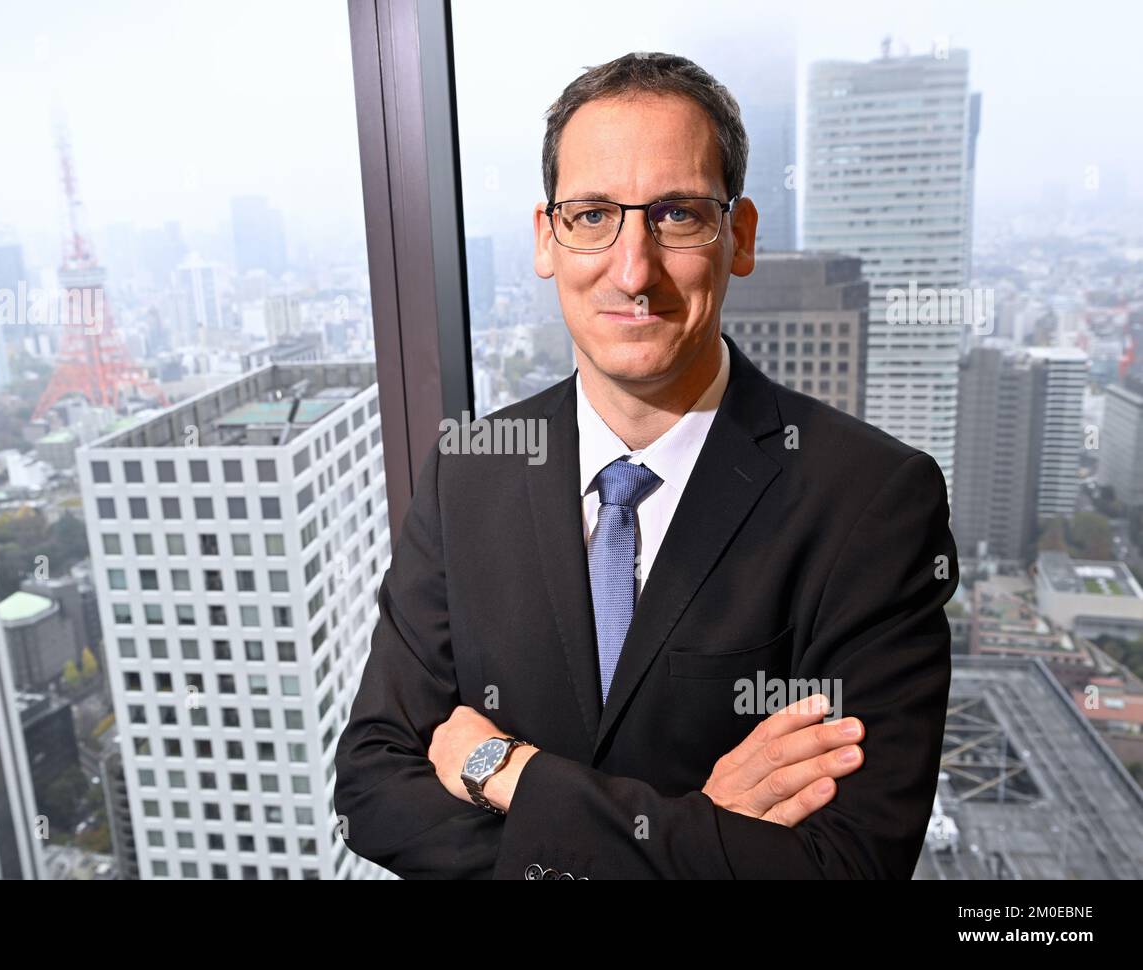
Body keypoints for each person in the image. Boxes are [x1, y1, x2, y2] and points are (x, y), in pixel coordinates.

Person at [333, 51, 957, 879]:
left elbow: (846, 866)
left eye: (676, 216)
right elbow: (373, 786)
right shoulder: (469, 474)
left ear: (739, 237)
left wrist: (508, 775)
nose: (632, 271)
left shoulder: (871, 503)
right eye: (592, 215)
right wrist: (698, 831)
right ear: (545, 239)